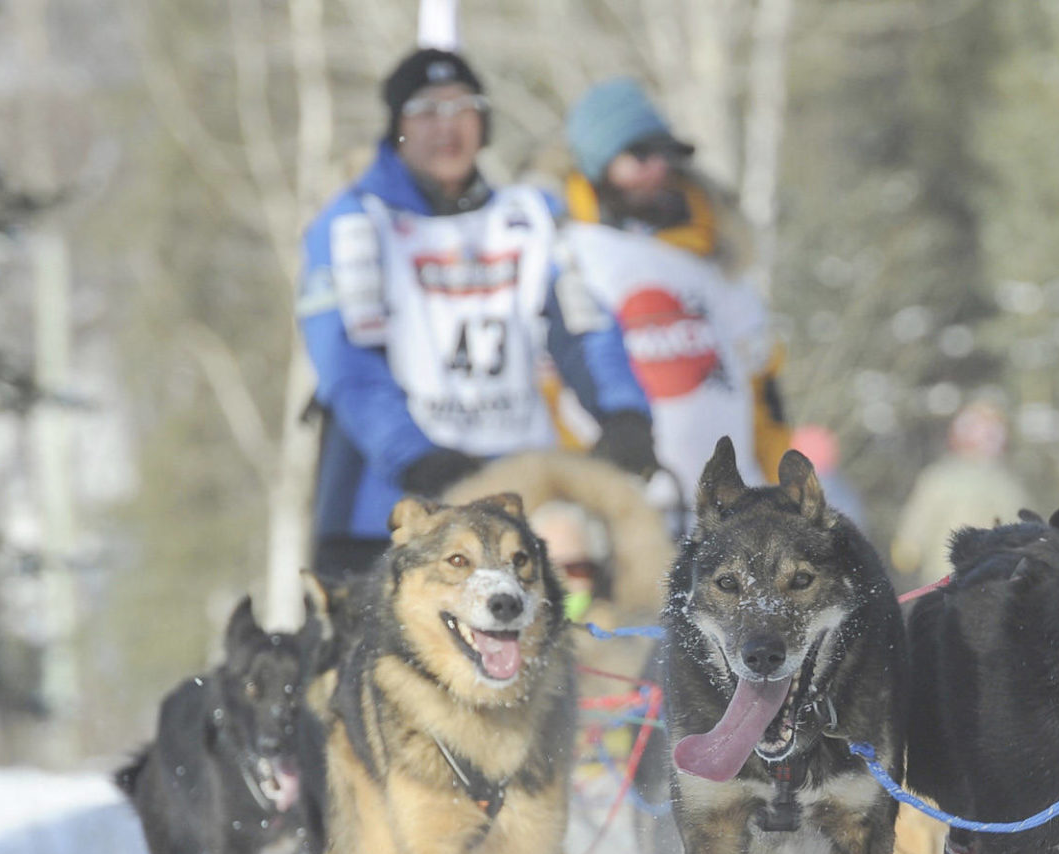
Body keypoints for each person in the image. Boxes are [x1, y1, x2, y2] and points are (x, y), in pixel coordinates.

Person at [297, 47, 657, 577]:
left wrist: (623, 413)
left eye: (463, 107)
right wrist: (416, 458)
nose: (446, 127)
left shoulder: (531, 216)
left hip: (513, 497)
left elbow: (585, 328)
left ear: (484, 124)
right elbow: (347, 363)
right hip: (385, 505)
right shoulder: (355, 222)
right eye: (425, 111)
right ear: (396, 125)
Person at [558, 77, 790, 525]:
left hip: (731, 512)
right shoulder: (573, 254)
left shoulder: (718, 255)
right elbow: (554, 385)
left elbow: (764, 385)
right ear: (597, 166)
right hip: (623, 510)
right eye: (639, 156)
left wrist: (784, 484)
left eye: (664, 153)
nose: (658, 169)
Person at [889, 401, 1034, 590]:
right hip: (977, 576)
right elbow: (1024, 526)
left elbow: (920, 518)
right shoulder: (1004, 482)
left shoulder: (943, 477)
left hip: (958, 576)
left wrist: (909, 545)